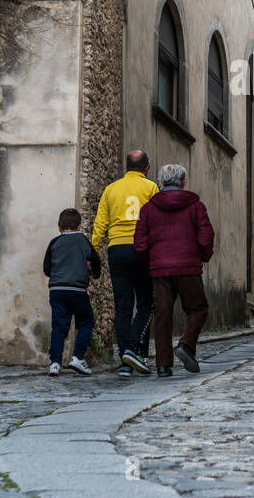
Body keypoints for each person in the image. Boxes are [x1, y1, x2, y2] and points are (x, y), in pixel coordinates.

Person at [133, 163, 214, 378]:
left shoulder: (148, 208)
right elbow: (206, 236)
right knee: (198, 308)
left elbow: (140, 242)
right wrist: (202, 257)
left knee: (162, 315)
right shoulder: (196, 206)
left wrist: (151, 260)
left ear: (161, 182)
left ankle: (163, 365)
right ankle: (186, 345)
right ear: (183, 182)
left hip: (160, 270)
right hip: (188, 266)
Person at [92, 150, 158, 377]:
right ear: (147, 168)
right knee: (147, 303)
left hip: (116, 249)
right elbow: (158, 221)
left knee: (122, 306)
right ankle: (133, 349)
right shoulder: (150, 188)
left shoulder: (111, 189)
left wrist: (92, 250)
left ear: (126, 167)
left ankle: (125, 362)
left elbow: (100, 223)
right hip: (142, 249)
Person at [43, 208, 101, 376]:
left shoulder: (54, 243)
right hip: (77, 290)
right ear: (79, 226)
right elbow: (95, 260)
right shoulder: (83, 241)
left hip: (56, 290)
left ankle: (55, 363)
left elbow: (46, 268)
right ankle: (77, 357)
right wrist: (94, 273)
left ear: (59, 227)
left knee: (59, 326)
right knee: (86, 321)